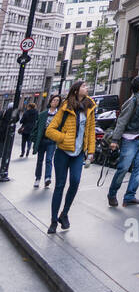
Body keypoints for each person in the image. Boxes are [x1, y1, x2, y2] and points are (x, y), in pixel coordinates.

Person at [44, 80, 95, 234]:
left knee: (75, 181)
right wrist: (64, 138)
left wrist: (91, 152)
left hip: (78, 154)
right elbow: (50, 130)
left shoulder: (90, 107)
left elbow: (91, 131)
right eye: (84, 86)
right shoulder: (65, 107)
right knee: (59, 186)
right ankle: (53, 220)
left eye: (87, 86)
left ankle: (64, 214)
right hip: (62, 153)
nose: (87, 88)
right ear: (76, 90)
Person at [107, 75, 139, 208]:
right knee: (123, 169)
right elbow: (122, 121)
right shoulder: (133, 101)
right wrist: (115, 140)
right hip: (129, 140)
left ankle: (129, 196)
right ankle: (112, 194)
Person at [33, 92, 61, 188]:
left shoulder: (59, 115)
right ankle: (37, 178)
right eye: (54, 100)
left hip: (52, 141)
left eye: (57, 101)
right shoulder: (43, 114)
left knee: (49, 159)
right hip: (42, 140)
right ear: (50, 101)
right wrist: (34, 139)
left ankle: (47, 178)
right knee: (40, 160)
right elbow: (36, 128)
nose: (55, 102)